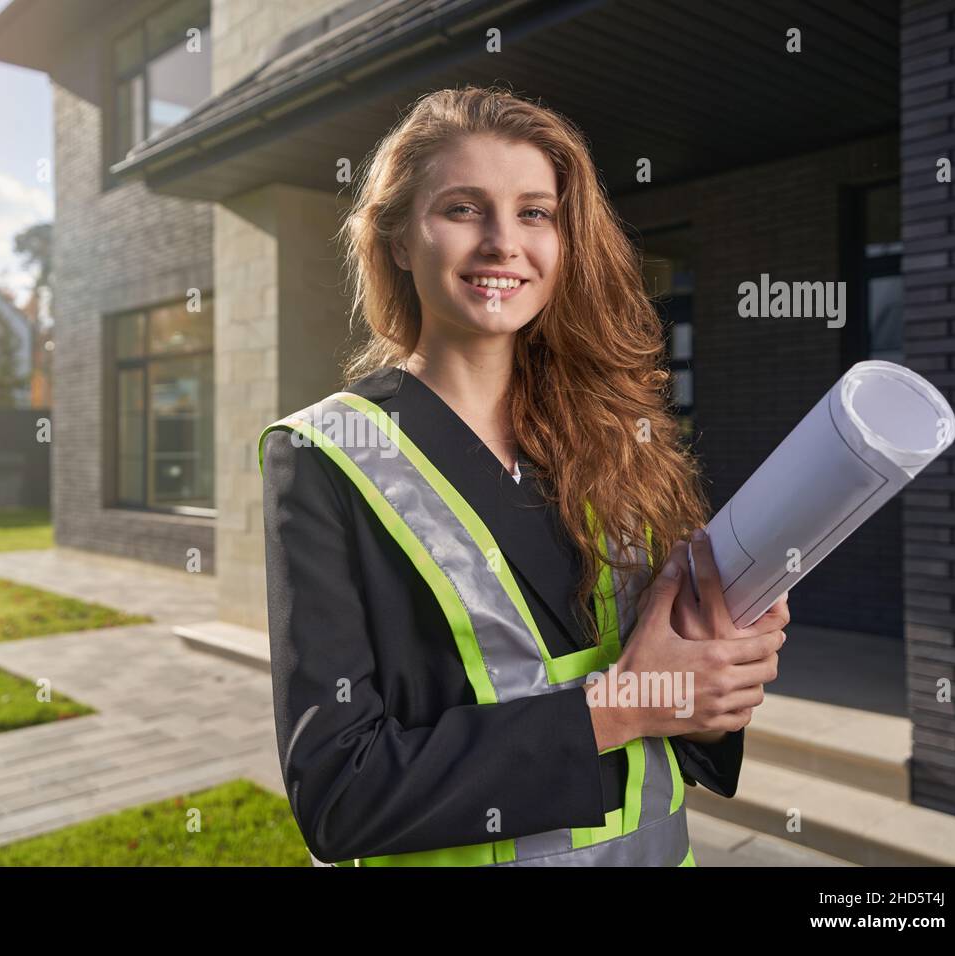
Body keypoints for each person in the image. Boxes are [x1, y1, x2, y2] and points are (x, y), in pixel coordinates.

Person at [259, 86, 788, 867]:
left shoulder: (615, 438)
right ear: (400, 239)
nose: (504, 242)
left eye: (535, 213)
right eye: (464, 209)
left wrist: (709, 691)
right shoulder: (322, 453)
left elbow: (674, 724)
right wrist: (625, 704)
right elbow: (341, 794)